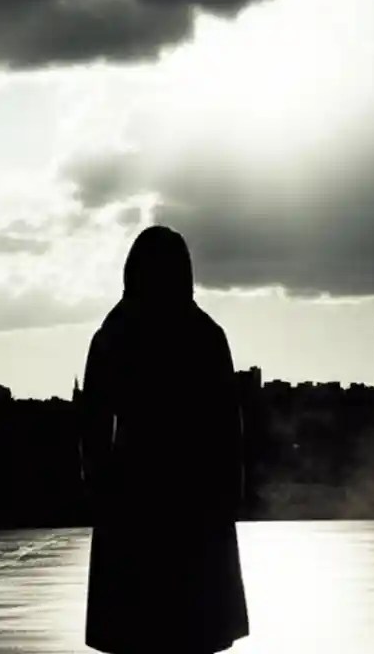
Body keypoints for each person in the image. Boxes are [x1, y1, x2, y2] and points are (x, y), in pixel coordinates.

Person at [81, 225, 249, 654]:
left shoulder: (114, 334)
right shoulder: (206, 334)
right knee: (195, 629)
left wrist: (97, 485)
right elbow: (228, 424)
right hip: (197, 496)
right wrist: (231, 489)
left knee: (135, 630)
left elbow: (94, 423)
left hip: (132, 496)